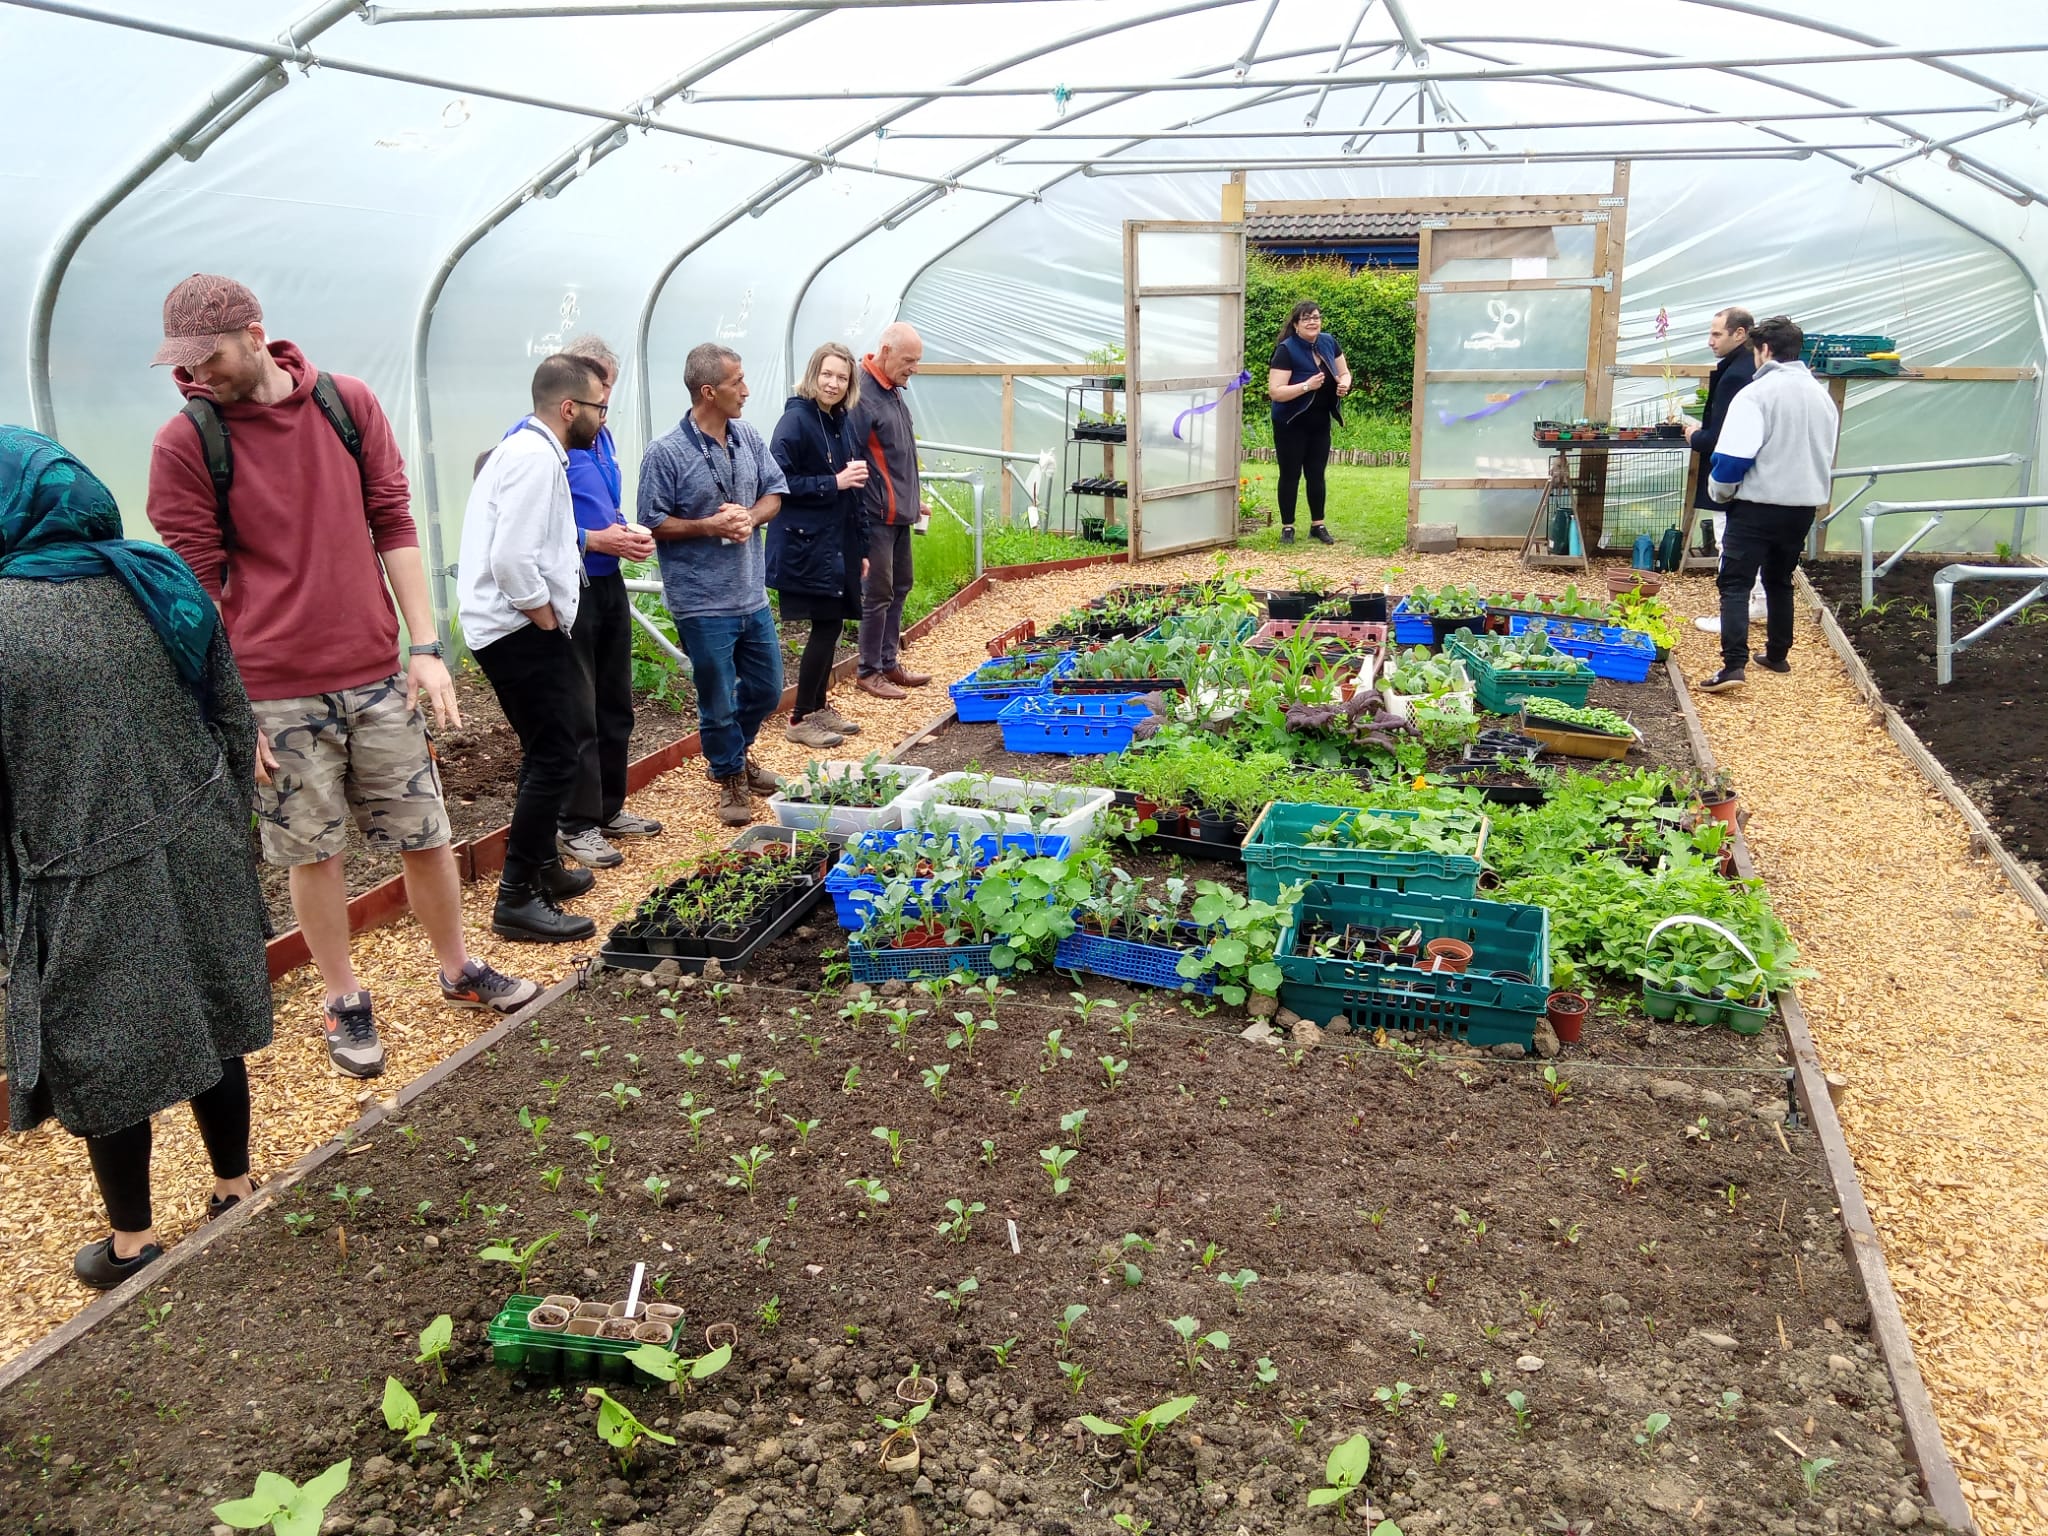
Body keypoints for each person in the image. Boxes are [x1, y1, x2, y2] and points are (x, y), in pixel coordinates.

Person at [145, 275, 537, 1080]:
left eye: (208, 357)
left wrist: (425, 646)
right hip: (274, 691)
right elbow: (197, 587)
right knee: (311, 851)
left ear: (255, 334)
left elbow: (392, 518)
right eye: (181, 364)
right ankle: (343, 998)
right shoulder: (187, 443)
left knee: (424, 834)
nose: (195, 376)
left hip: (373, 672)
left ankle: (459, 969)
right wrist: (228, 708)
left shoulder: (346, 405)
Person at [1, 427, 271, 1289]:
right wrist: (232, 834)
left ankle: (133, 1245)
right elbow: (232, 718)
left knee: (106, 1055)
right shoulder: (157, 578)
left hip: (83, 872)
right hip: (195, 839)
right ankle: (235, 1187)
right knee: (212, 1016)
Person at [499, 334, 664, 872]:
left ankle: (610, 806)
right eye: (600, 387)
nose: (607, 397)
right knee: (579, 707)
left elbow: (598, 504)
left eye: (610, 385)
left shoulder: (602, 437)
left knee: (616, 700)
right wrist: (593, 540)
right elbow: (529, 527)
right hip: (570, 584)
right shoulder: (533, 444)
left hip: (606, 579)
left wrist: (624, 533)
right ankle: (577, 823)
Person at [461, 355, 605, 941]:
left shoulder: (534, 452)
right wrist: (545, 618)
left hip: (518, 627)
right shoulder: (531, 458)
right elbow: (512, 559)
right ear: (569, 408)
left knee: (551, 748)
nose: (602, 416)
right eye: (598, 406)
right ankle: (516, 897)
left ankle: (544, 866)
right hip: (518, 629)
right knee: (555, 756)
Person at [638, 343, 788, 826]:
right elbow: (651, 521)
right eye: (736, 382)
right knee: (717, 699)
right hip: (701, 603)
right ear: (708, 391)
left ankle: (734, 756)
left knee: (767, 689)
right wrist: (710, 526)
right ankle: (728, 776)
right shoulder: (665, 453)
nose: (746, 390)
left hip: (751, 592)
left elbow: (775, 493)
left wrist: (749, 515)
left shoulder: (747, 436)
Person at [1699, 315, 1840, 693]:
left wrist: (1720, 492)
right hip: (1802, 507)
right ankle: (1777, 654)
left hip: (1758, 504)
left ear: (1764, 350)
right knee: (1780, 579)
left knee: (1735, 583)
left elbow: (1731, 460)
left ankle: (1733, 667)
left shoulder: (1756, 394)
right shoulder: (1821, 396)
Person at [769, 341, 871, 748]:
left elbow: (855, 489)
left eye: (841, 377)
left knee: (833, 624)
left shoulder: (840, 420)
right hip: (807, 543)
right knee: (825, 625)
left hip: (837, 540)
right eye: (827, 374)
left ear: (850, 385)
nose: (833, 383)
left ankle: (818, 705)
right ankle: (799, 718)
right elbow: (776, 482)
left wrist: (861, 547)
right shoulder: (795, 421)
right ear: (814, 375)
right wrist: (832, 482)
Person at [849, 322, 934, 700]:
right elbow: (855, 459)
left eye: (917, 361)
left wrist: (914, 501)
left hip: (901, 513)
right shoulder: (862, 396)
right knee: (878, 592)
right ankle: (868, 670)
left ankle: (888, 662)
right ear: (885, 351)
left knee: (901, 586)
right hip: (876, 515)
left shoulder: (893, 390)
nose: (914, 367)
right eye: (909, 360)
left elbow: (898, 456)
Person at [1681, 307, 1764, 635]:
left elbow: (1722, 436)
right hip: (1750, 477)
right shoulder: (1747, 369)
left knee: (1728, 543)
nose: (1710, 341)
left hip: (1730, 475)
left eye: (1717, 334)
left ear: (1740, 334)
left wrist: (1696, 435)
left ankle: (1736, 613)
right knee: (1744, 543)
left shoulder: (1735, 376)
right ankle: (1758, 600)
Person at [1266, 300, 1352, 544]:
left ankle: (1318, 525)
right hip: (1290, 422)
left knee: (1316, 474)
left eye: (1316, 317)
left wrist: (1345, 383)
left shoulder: (1328, 341)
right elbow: (1276, 391)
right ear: (1296, 324)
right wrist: (1307, 386)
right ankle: (1288, 528)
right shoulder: (1287, 349)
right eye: (1306, 319)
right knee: (1290, 474)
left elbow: (1344, 371)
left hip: (1319, 420)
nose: (1313, 322)